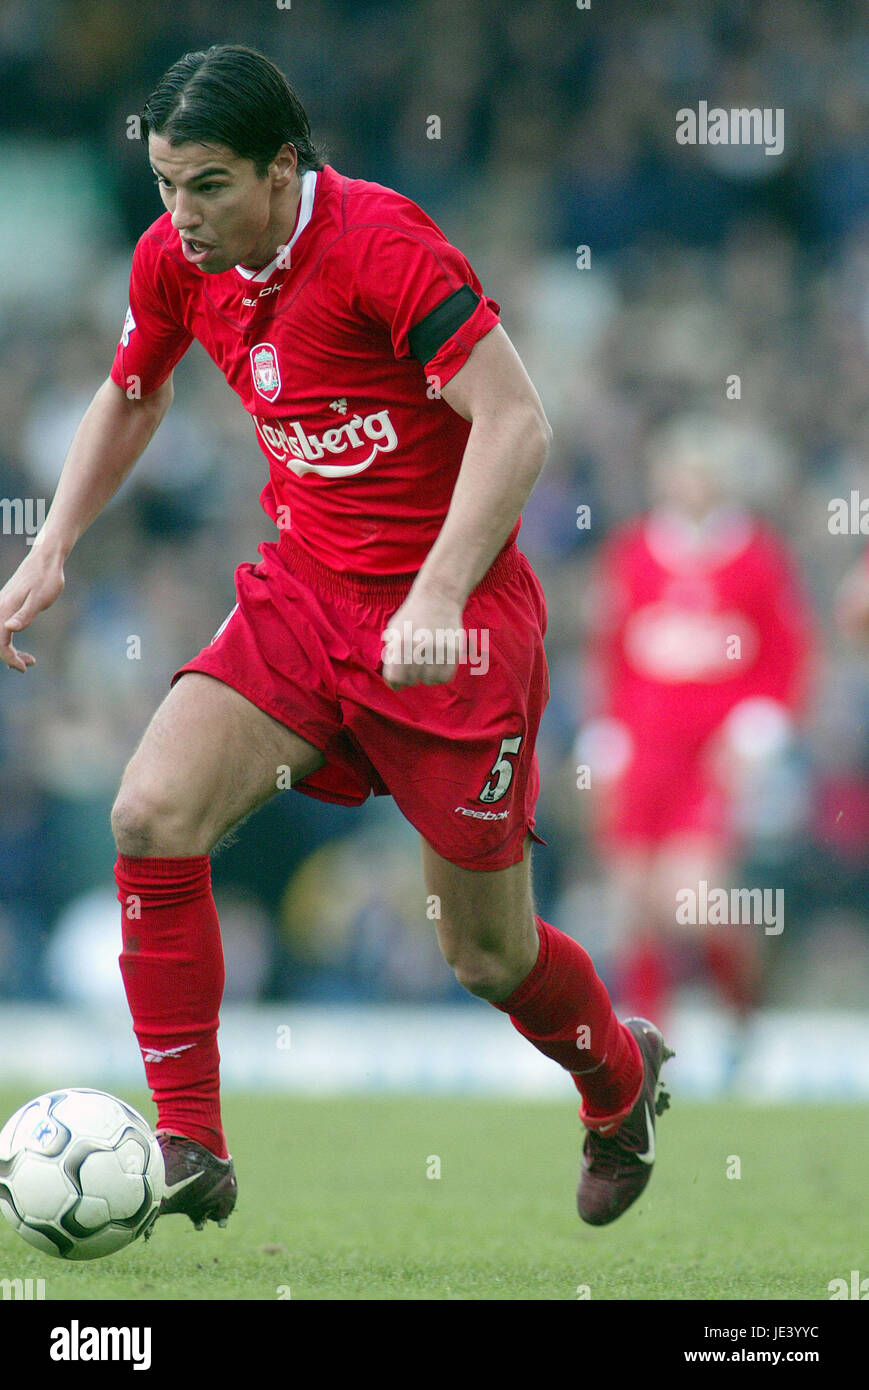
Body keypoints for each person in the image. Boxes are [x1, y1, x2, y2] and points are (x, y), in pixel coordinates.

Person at [0, 44, 672, 1230]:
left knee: (484, 956)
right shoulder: (176, 259)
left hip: (449, 637)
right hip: (303, 601)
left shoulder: (382, 246)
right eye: (163, 183)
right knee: (149, 813)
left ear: (283, 167)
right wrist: (54, 544)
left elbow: (515, 425)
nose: (180, 215)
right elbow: (135, 389)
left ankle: (616, 1079)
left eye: (207, 185)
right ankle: (191, 1141)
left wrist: (435, 590)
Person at [578, 415, 815, 1024]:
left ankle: (742, 1007)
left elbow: (788, 653)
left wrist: (759, 724)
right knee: (633, 901)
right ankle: (646, 1037)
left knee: (693, 900)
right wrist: (606, 731)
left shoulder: (755, 557)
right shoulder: (635, 553)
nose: (690, 486)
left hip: (712, 756)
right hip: (644, 746)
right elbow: (610, 649)